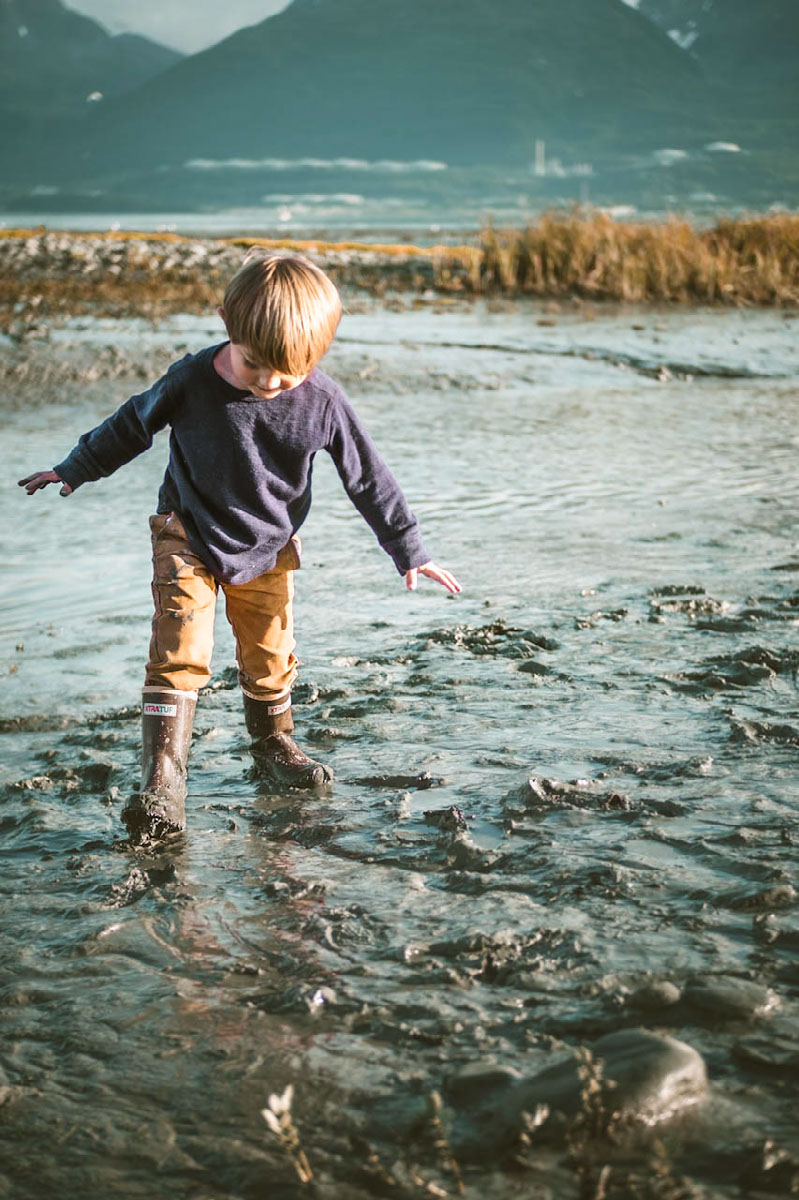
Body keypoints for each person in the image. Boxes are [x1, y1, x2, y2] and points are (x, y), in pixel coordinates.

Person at [19, 251, 461, 841]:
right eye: (254, 364)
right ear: (227, 322)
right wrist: (76, 466)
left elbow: (367, 477)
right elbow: (132, 423)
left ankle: (273, 742)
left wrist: (409, 547)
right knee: (180, 647)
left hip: (270, 544)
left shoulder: (323, 401)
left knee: (270, 653)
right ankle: (162, 780)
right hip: (186, 531)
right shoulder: (191, 379)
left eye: (289, 372)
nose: (270, 383)